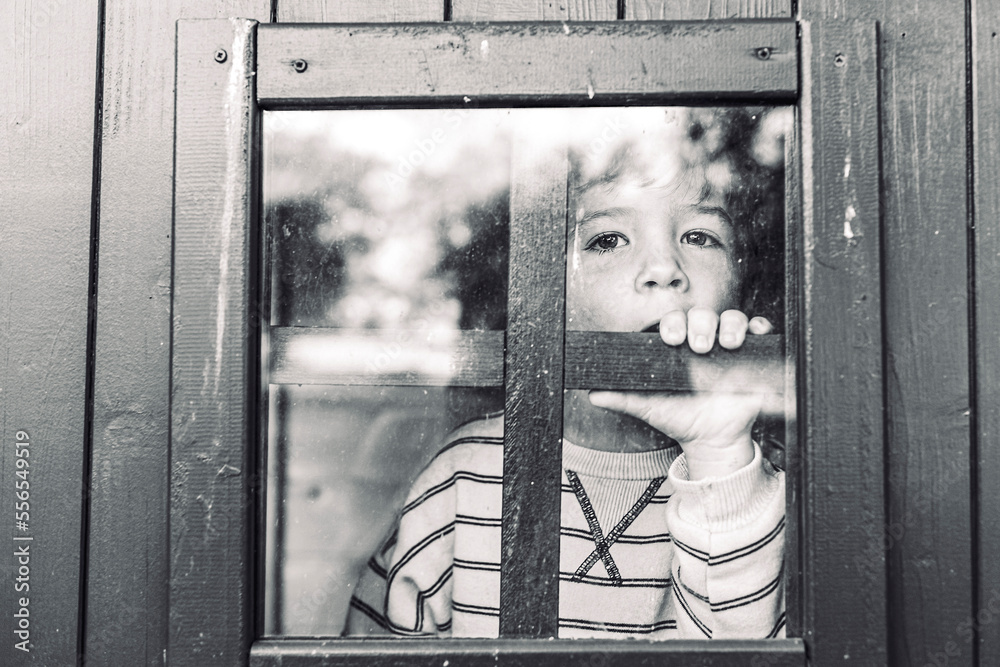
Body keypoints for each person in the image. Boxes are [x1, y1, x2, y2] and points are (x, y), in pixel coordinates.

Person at [345, 108, 787, 640]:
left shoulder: (757, 480)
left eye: (699, 236)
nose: (665, 268)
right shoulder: (467, 474)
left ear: (742, 284)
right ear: (541, 291)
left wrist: (719, 452)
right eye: (607, 240)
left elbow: (750, 648)